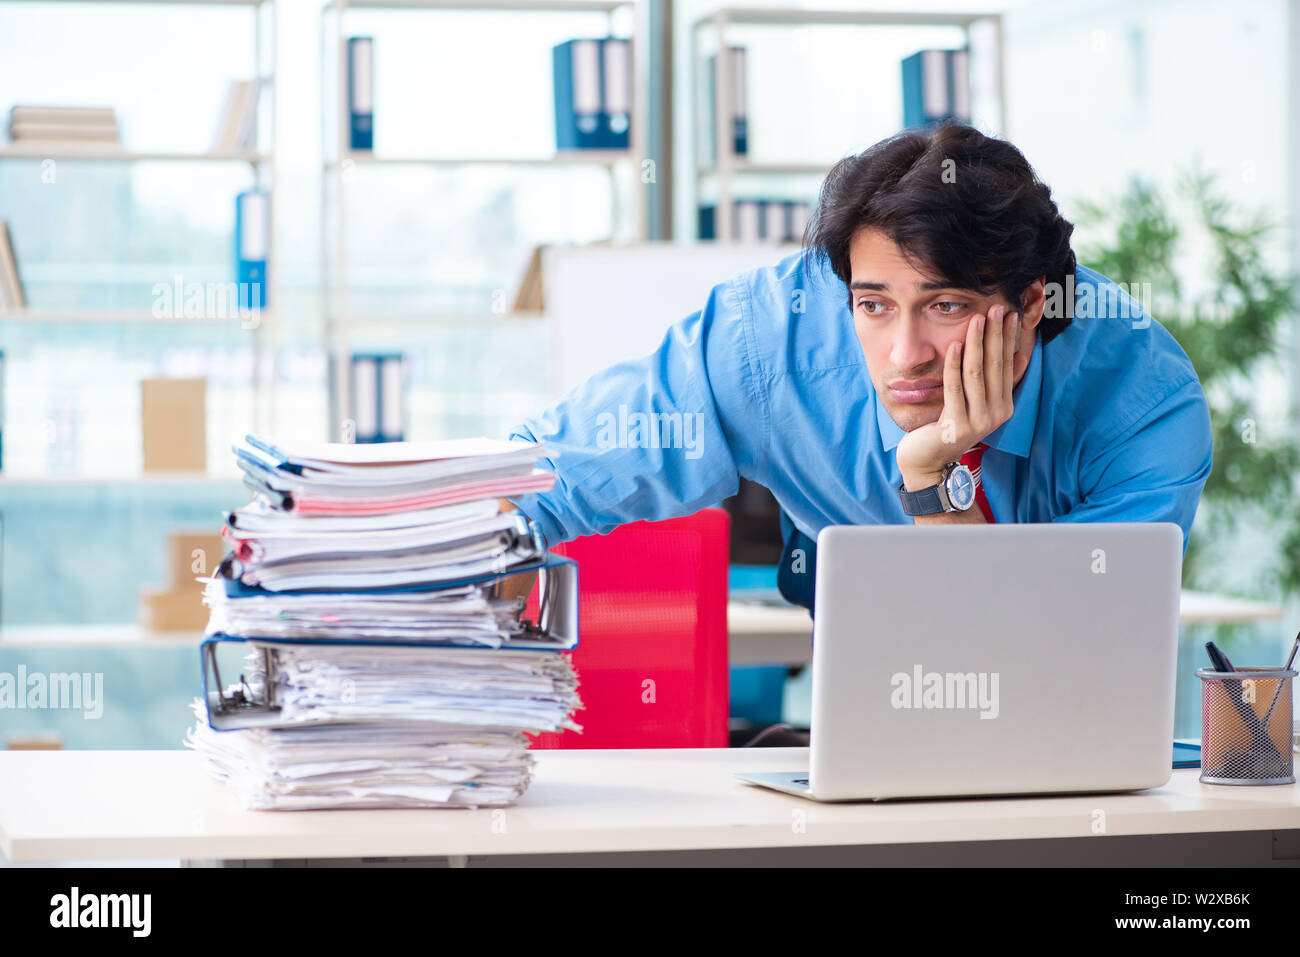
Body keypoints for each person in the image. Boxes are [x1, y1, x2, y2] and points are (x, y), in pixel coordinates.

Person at [503, 123, 1213, 741]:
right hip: (874, 709)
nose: (905, 354)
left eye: (946, 305)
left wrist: (933, 481)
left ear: (1031, 302)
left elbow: (1059, 665)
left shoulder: (1141, 402)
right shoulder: (771, 343)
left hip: (1050, 731)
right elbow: (534, 487)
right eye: (873, 304)